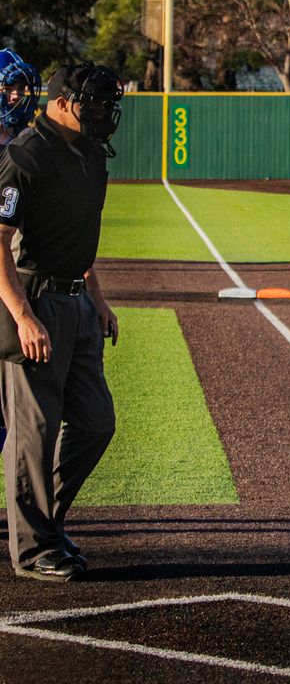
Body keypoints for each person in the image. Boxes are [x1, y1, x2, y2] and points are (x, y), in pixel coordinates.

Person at [0, 62, 123, 582]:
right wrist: (23, 316)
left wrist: (98, 298)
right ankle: (32, 549)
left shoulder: (92, 155)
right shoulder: (25, 154)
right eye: (92, 104)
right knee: (36, 428)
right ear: (63, 101)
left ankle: (46, 524)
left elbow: (83, 236)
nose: (101, 114)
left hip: (76, 304)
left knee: (95, 422)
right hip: (32, 300)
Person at [0, 49, 41, 456]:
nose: (17, 96)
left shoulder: (29, 145)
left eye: (20, 88)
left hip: (17, 279)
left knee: (14, 410)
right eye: (8, 88)